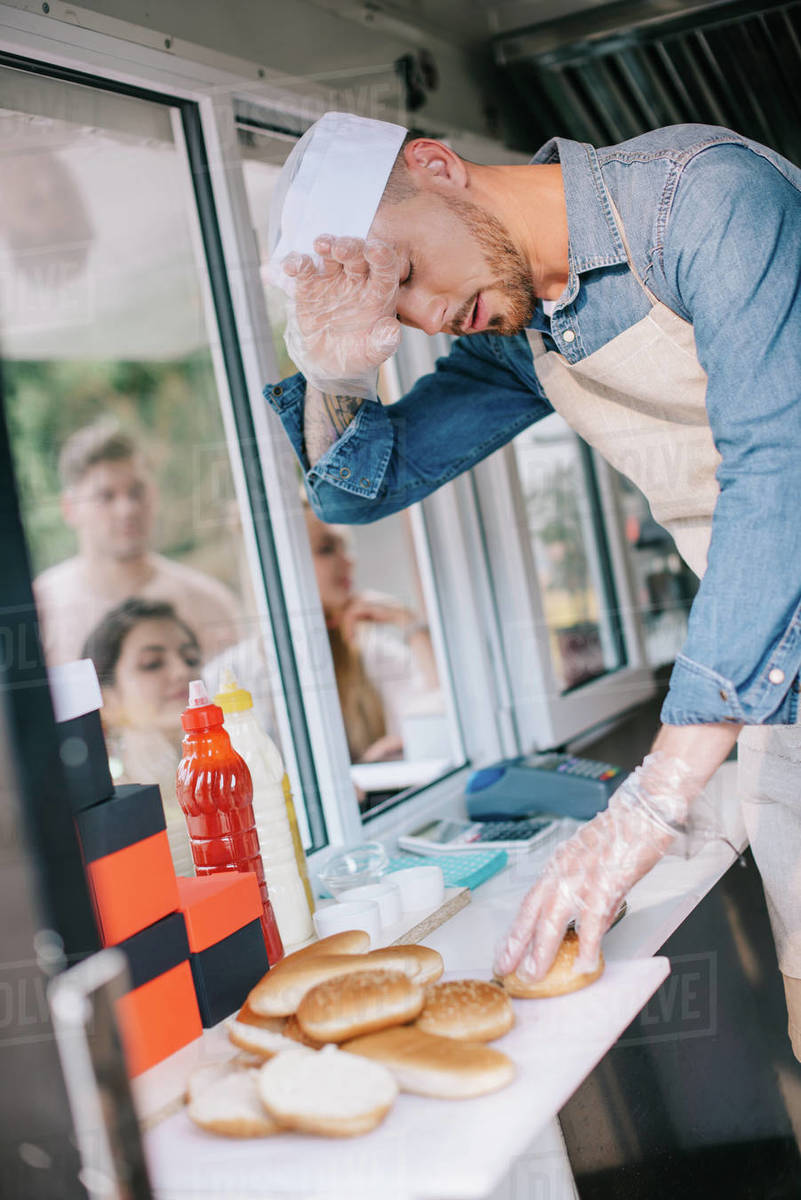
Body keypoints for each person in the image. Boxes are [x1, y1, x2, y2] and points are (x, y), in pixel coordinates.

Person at [263, 112, 801, 1057]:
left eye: (403, 276)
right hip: (778, 676)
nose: (423, 319)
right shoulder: (521, 329)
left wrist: (655, 795)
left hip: (757, 655)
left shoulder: (701, 197)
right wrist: (330, 372)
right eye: (391, 312)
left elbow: (781, 472)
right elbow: (360, 490)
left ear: (436, 167)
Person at [34, 418, 242, 666]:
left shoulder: (209, 604)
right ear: (69, 509)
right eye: (106, 496)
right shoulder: (41, 608)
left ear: (154, 494)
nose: (127, 509)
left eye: (136, 491)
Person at [302, 497, 439, 764]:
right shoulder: (251, 670)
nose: (349, 561)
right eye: (327, 549)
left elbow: (438, 715)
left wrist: (407, 621)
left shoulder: (370, 649)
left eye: (346, 547)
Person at [81, 596, 200, 874]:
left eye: (191, 657)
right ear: (105, 698)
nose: (183, 671)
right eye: (152, 663)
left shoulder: (239, 766)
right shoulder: (100, 809)